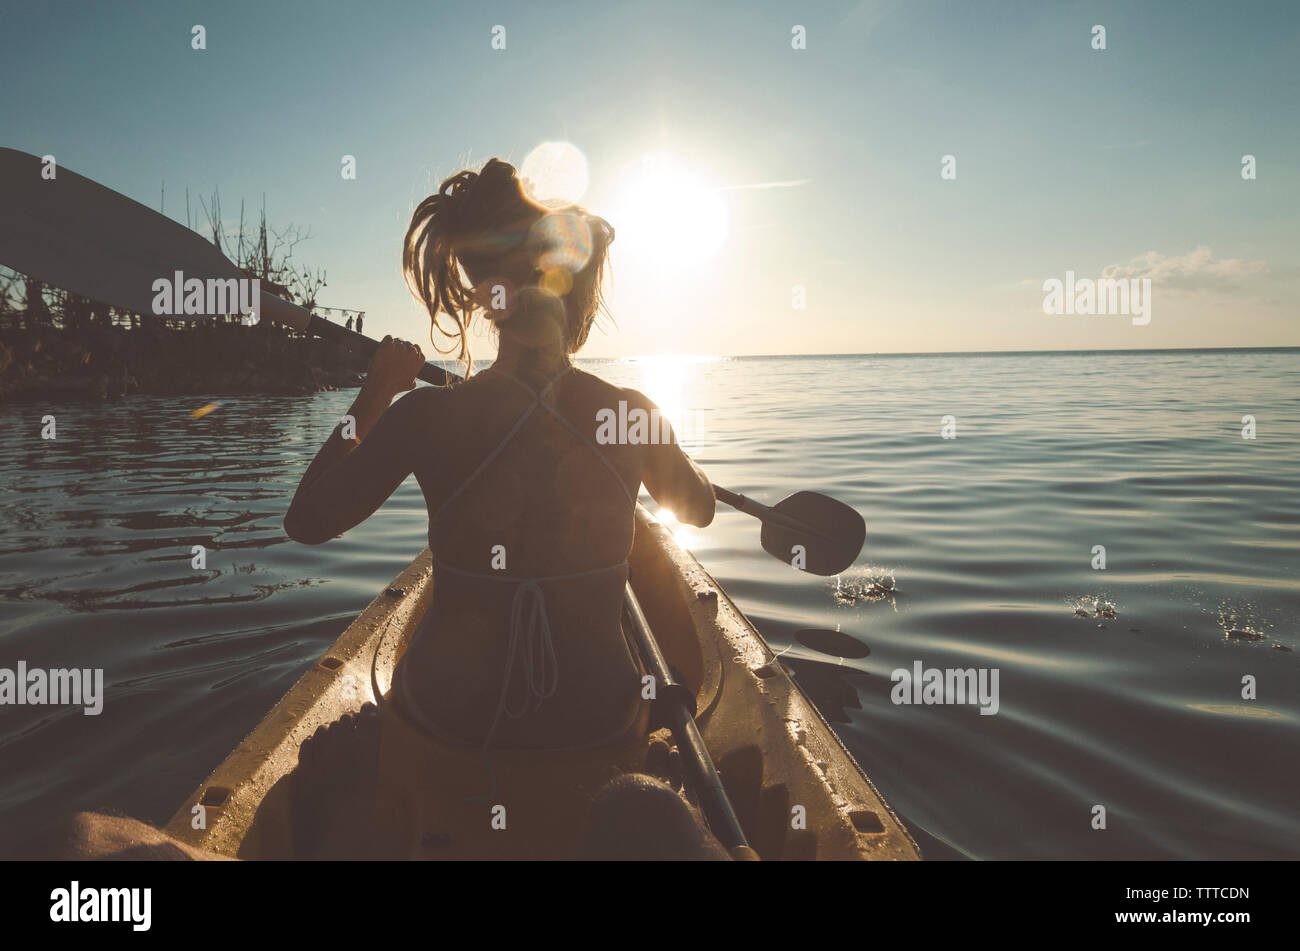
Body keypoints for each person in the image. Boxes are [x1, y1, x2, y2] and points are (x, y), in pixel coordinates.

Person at [282, 157, 718, 856]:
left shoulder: (425, 417)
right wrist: (658, 453)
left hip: (445, 728)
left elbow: (306, 521)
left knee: (337, 763)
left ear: (486, 298)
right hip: (599, 729)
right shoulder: (630, 414)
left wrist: (376, 395)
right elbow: (697, 509)